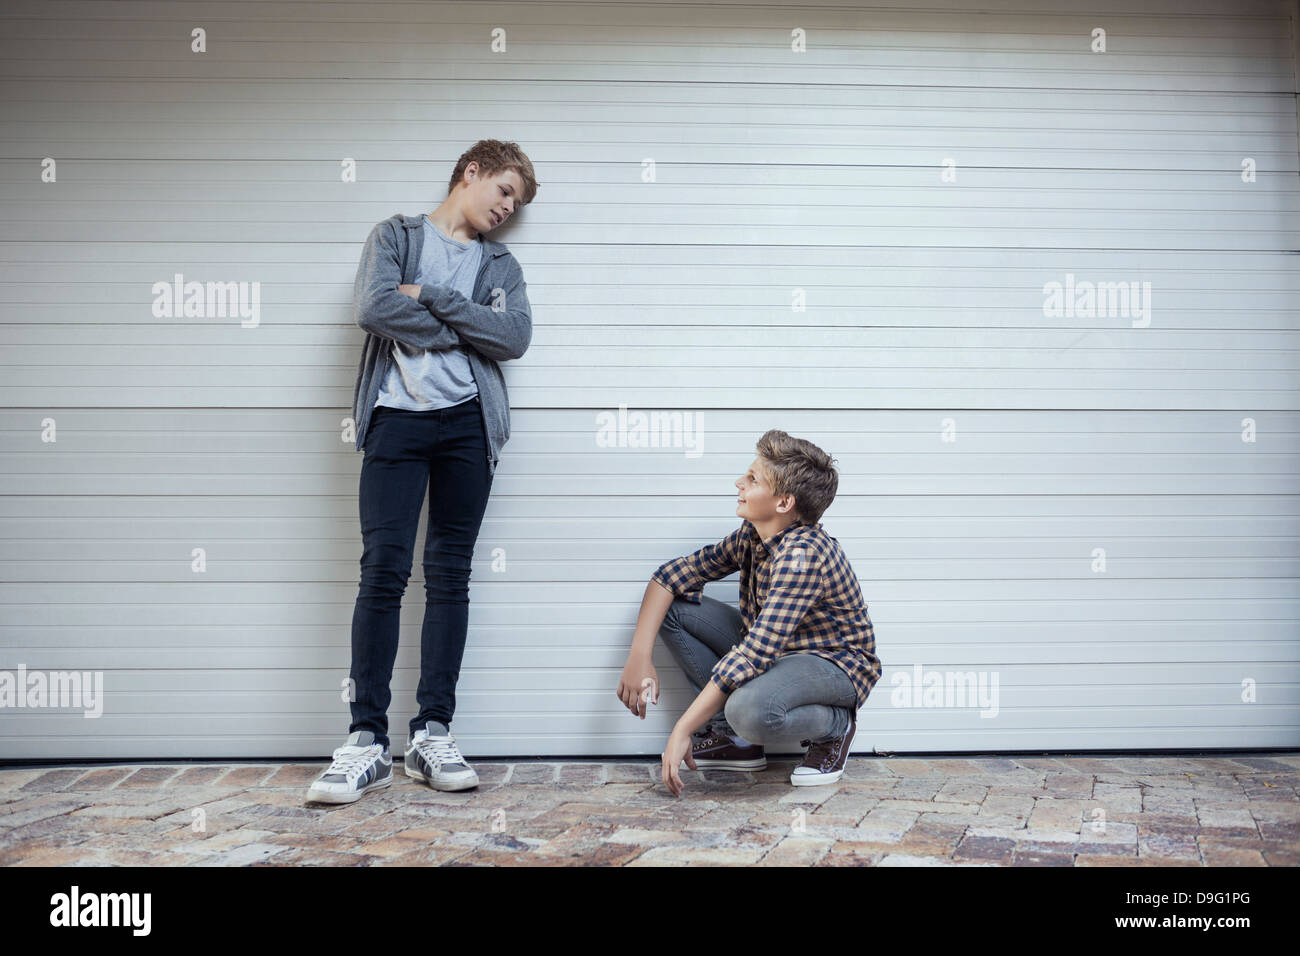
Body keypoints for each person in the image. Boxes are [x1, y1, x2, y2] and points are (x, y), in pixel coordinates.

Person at [307, 140, 538, 804]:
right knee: (383, 567)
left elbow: (514, 338)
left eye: (516, 203)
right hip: (396, 420)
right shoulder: (396, 236)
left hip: (469, 425)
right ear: (472, 172)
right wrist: (470, 326)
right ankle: (365, 742)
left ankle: (433, 731)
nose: (506, 208)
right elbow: (375, 309)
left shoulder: (500, 263)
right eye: (503, 191)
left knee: (449, 574)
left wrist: (434, 300)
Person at [616, 430, 882, 794]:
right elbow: (670, 578)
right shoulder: (752, 536)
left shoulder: (804, 555)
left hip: (835, 664)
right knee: (675, 611)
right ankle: (735, 742)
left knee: (747, 710)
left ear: (784, 502)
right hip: (777, 653)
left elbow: (754, 655)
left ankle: (835, 726)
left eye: (753, 479)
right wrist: (639, 657)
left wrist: (683, 728)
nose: (739, 483)